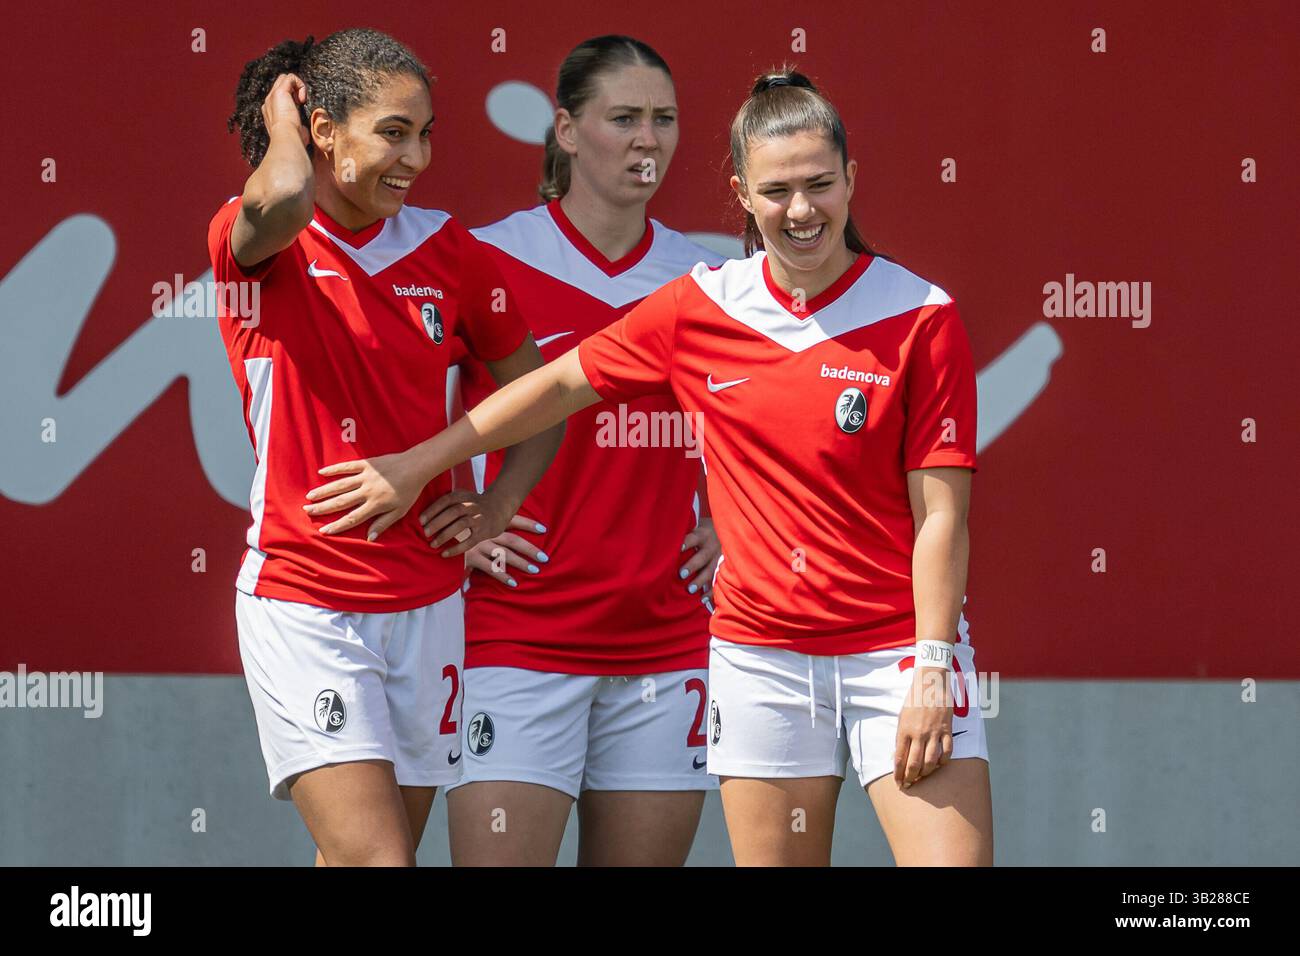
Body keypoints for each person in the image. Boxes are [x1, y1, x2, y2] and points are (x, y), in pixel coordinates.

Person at [304, 68, 993, 867]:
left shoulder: (921, 315)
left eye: (819, 184)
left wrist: (934, 665)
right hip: (758, 657)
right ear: (740, 191)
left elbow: (943, 515)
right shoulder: (701, 304)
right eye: (776, 190)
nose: (801, 210)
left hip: (899, 652)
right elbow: (556, 386)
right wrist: (422, 468)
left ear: (852, 180)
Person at [210, 28, 561, 866]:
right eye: (393, 132)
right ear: (325, 131)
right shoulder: (255, 235)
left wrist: (496, 503)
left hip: (427, 606)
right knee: (379, 861)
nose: (417, 156)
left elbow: (542, 397)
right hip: (305, 600)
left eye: (426, 132)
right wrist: (285, 125)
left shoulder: (449, 251)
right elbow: (288, 195)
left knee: (368, 854)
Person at [441, 35, 726, 866]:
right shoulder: (485, 258)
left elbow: (763, 427)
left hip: (667, 638)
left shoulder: (709, 279)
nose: (650, 139)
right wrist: (454, 520)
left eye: (665, 119)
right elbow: (405, 414)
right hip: (516, 633)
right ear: (566, 131)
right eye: (625, 118)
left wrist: (737, 532)